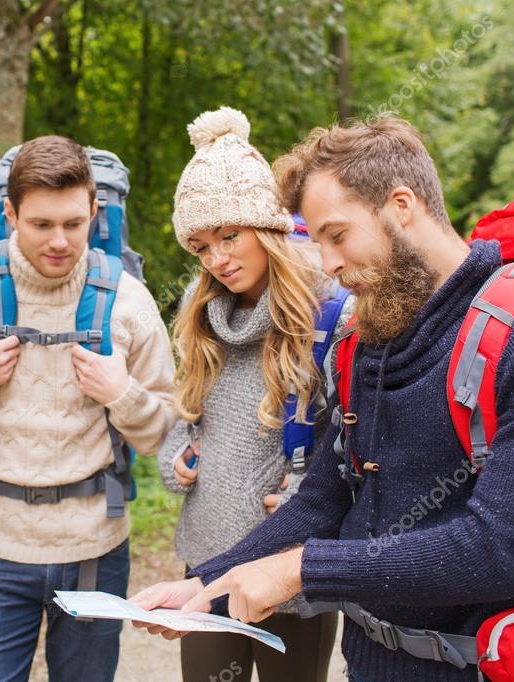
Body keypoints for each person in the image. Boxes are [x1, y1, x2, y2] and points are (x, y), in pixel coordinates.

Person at [132, 115, 514, 681]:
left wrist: (301, 572)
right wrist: (204, 583)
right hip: (368, 663)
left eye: (337, 235)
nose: (328, 263)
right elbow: (323, 500)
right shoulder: (364, 341)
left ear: (400, 205)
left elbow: (495, 551)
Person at [0, 135, 176, 682]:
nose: (59, 241)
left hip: (95, 547)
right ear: (10, 214)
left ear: (95, 212)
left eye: (74, 224)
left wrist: (122, 394)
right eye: (42, 224)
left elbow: (165, 429)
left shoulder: (128, 299)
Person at [157, 106, 345, 682]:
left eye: (230, 236)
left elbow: (351, 439)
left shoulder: (329, 312)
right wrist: (174, 455)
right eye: (203, 246)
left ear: (266, 227)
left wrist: (305, 493)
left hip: (288, 564)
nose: (218, 259)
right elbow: (183, 414)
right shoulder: (201, 313)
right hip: (208, 559)